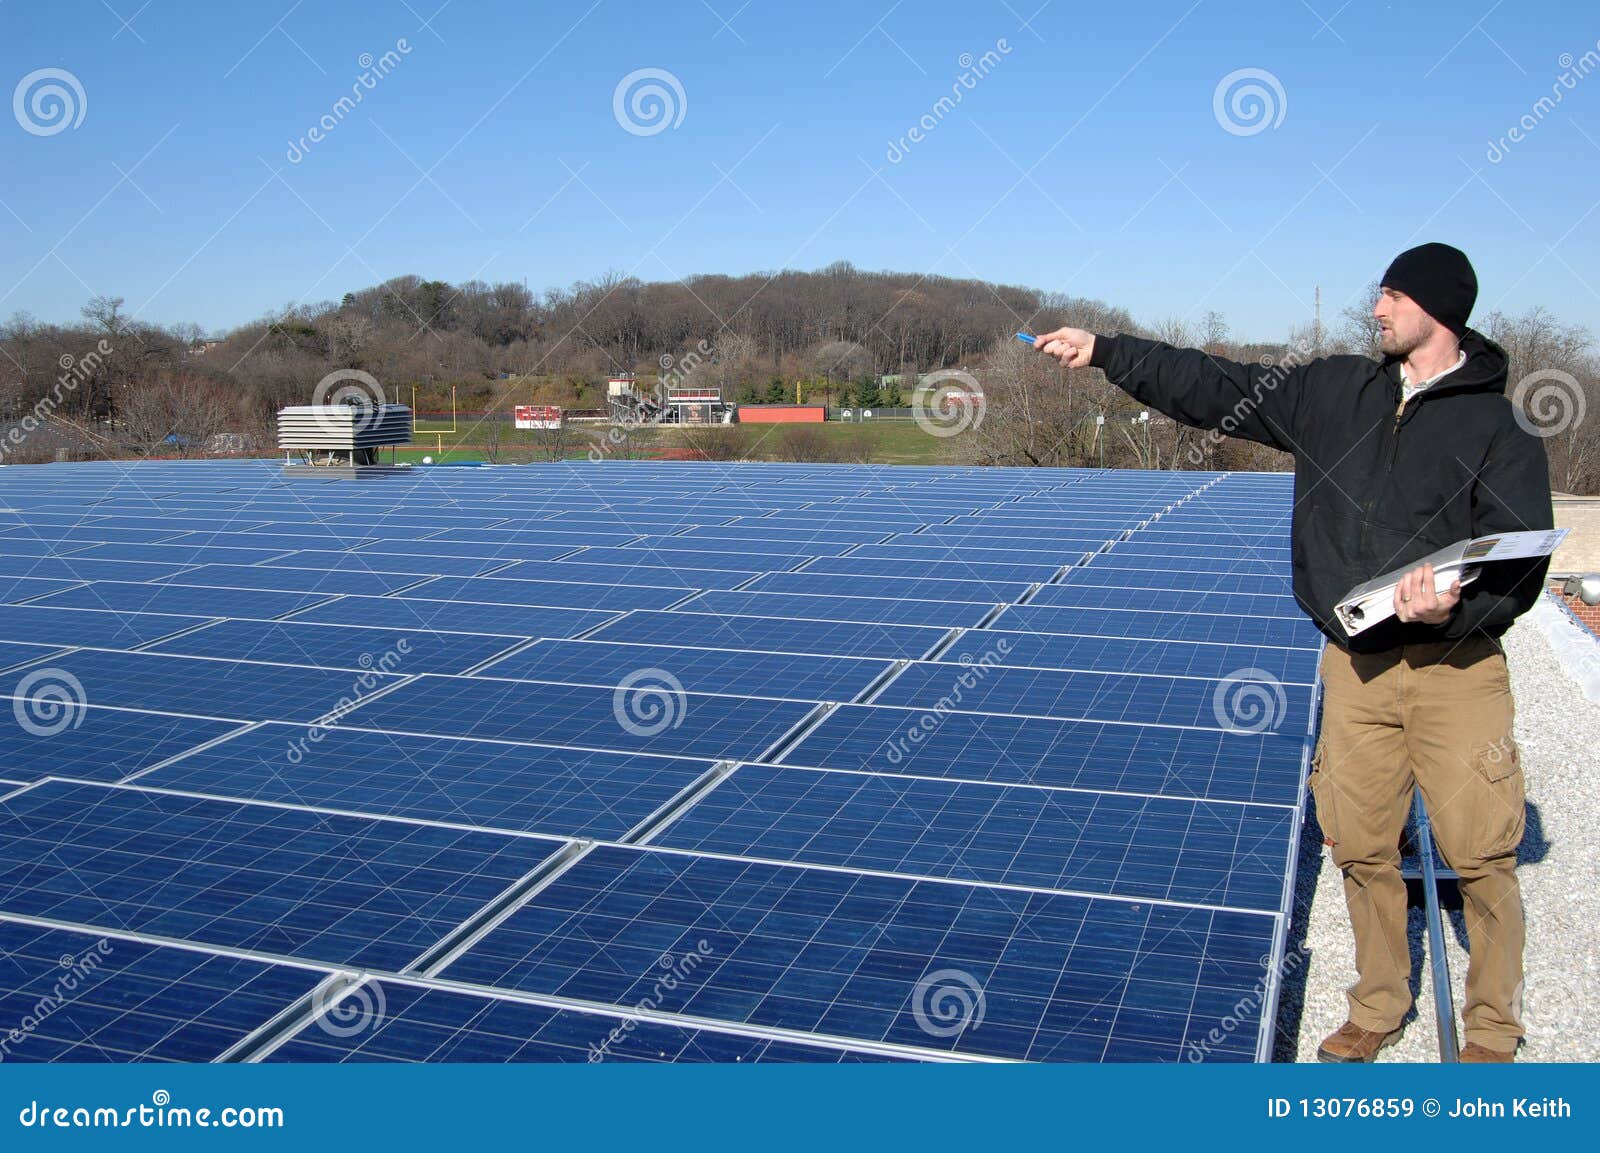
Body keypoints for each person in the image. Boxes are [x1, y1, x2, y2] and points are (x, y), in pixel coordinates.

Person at [1033, 242, 1553, 1063]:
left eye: (1392, 296)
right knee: (1361, 844)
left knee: (1480, 851)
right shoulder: (1333, 391)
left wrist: (1458, 605)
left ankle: (1491, 1028)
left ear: (1438, 309)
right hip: (1355, 666)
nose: (1376, 309)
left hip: (1457, 671)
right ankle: (1378, 1004)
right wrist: (1105, 350)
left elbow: (1521, 564)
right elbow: (1214, 385)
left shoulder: (1501, 424)